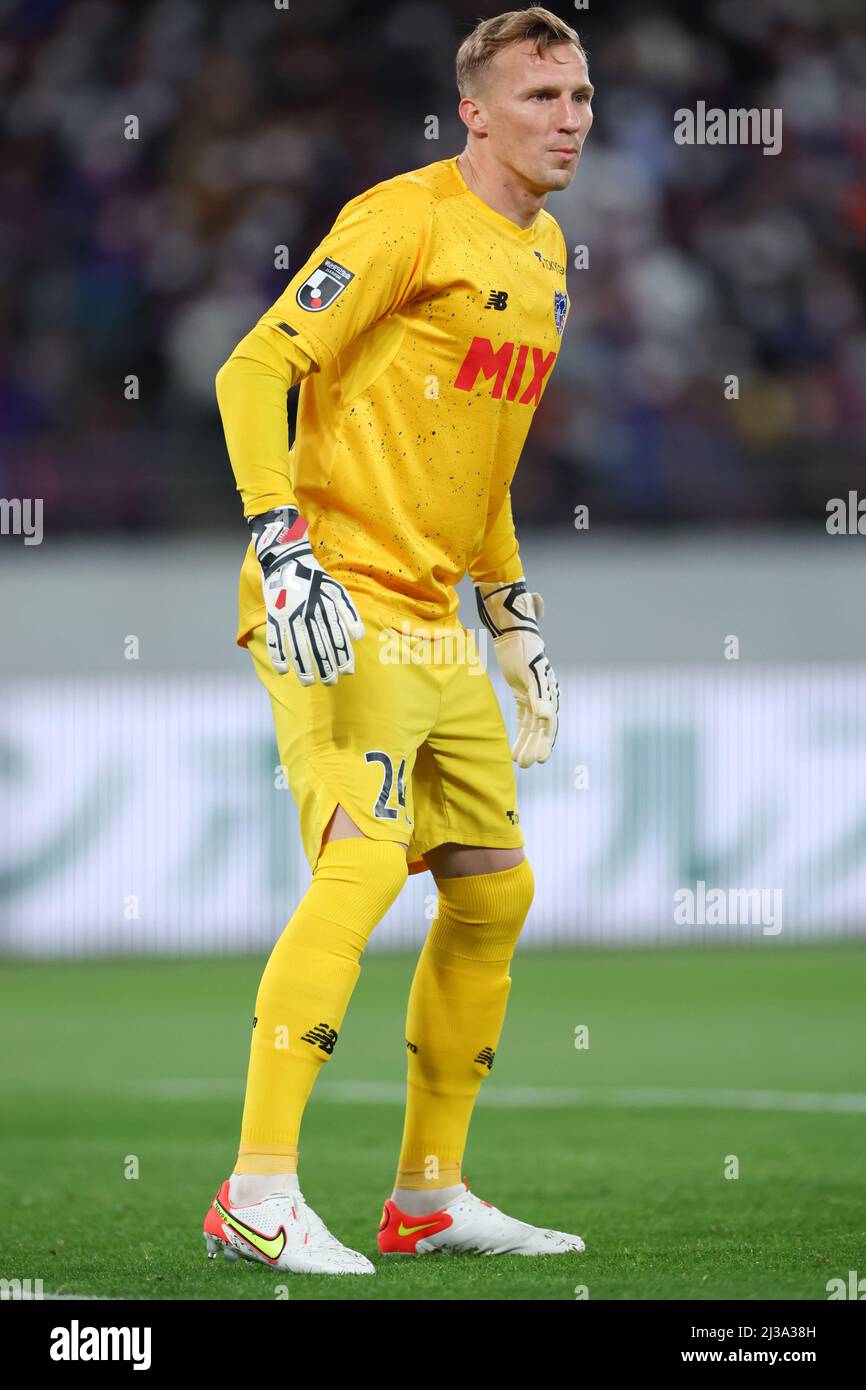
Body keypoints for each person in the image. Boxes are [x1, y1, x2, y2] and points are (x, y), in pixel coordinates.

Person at [204, 5, 593, 1275]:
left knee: (491, 888)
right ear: (474, 111)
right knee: (361, 869)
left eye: (580, 96)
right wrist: (280, 538)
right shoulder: (400, 219)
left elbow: (478, 470)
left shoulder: (544, 262)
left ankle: (427, 1194)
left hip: (439, 620)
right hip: (339, 600)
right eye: (540, 97)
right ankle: (254, 1191)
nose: (570, 118)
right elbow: (250, 371)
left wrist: (513, 614)